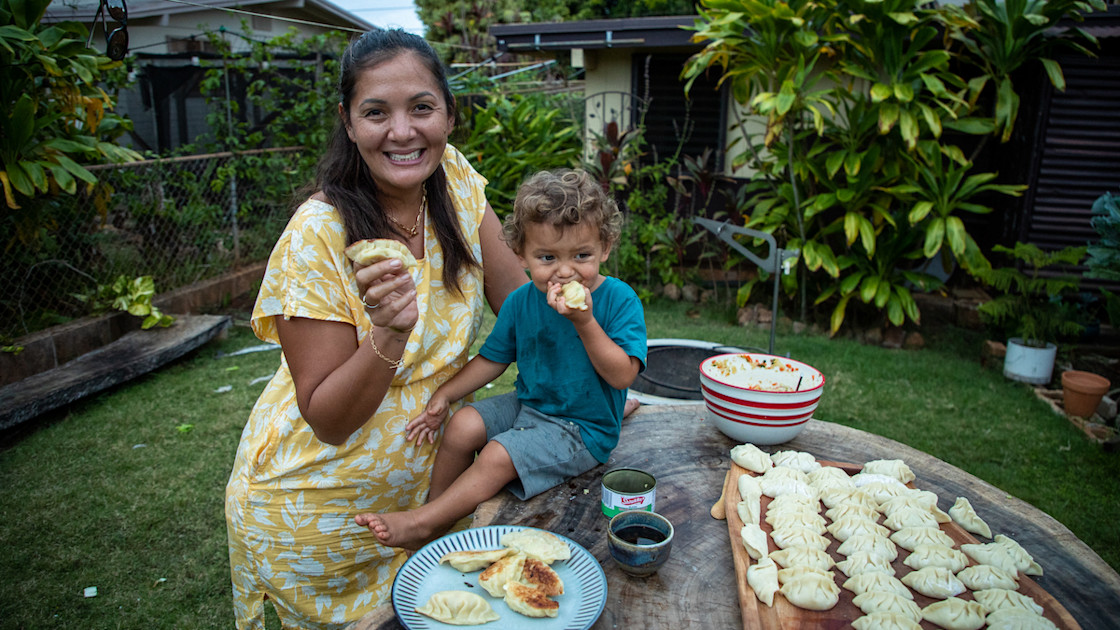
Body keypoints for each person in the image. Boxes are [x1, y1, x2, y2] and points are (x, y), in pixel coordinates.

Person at [224, 29, 528, 629]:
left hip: (428, 501)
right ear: (347, 121)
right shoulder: (318, 233)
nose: (402, 131)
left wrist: (593, 358)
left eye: (421, 107)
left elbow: (522, 307)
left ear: (448, 111)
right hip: (315, 521)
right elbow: (328, 419)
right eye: (375, 112)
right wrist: (387, 334)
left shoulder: (458, 184)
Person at [356, 168, 648, 550]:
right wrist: (445, 394)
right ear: (520, 254)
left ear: (605, 248)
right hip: (532, 404)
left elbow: (622, 375)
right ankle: (440, 515)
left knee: (497, 454)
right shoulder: (520, 303)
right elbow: (493, 359)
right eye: (547, 257)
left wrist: (585, 321)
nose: (564, 271)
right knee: (462, 425)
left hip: (583, 428)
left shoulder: (618, 301)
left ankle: (422, 524)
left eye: (581, 255)